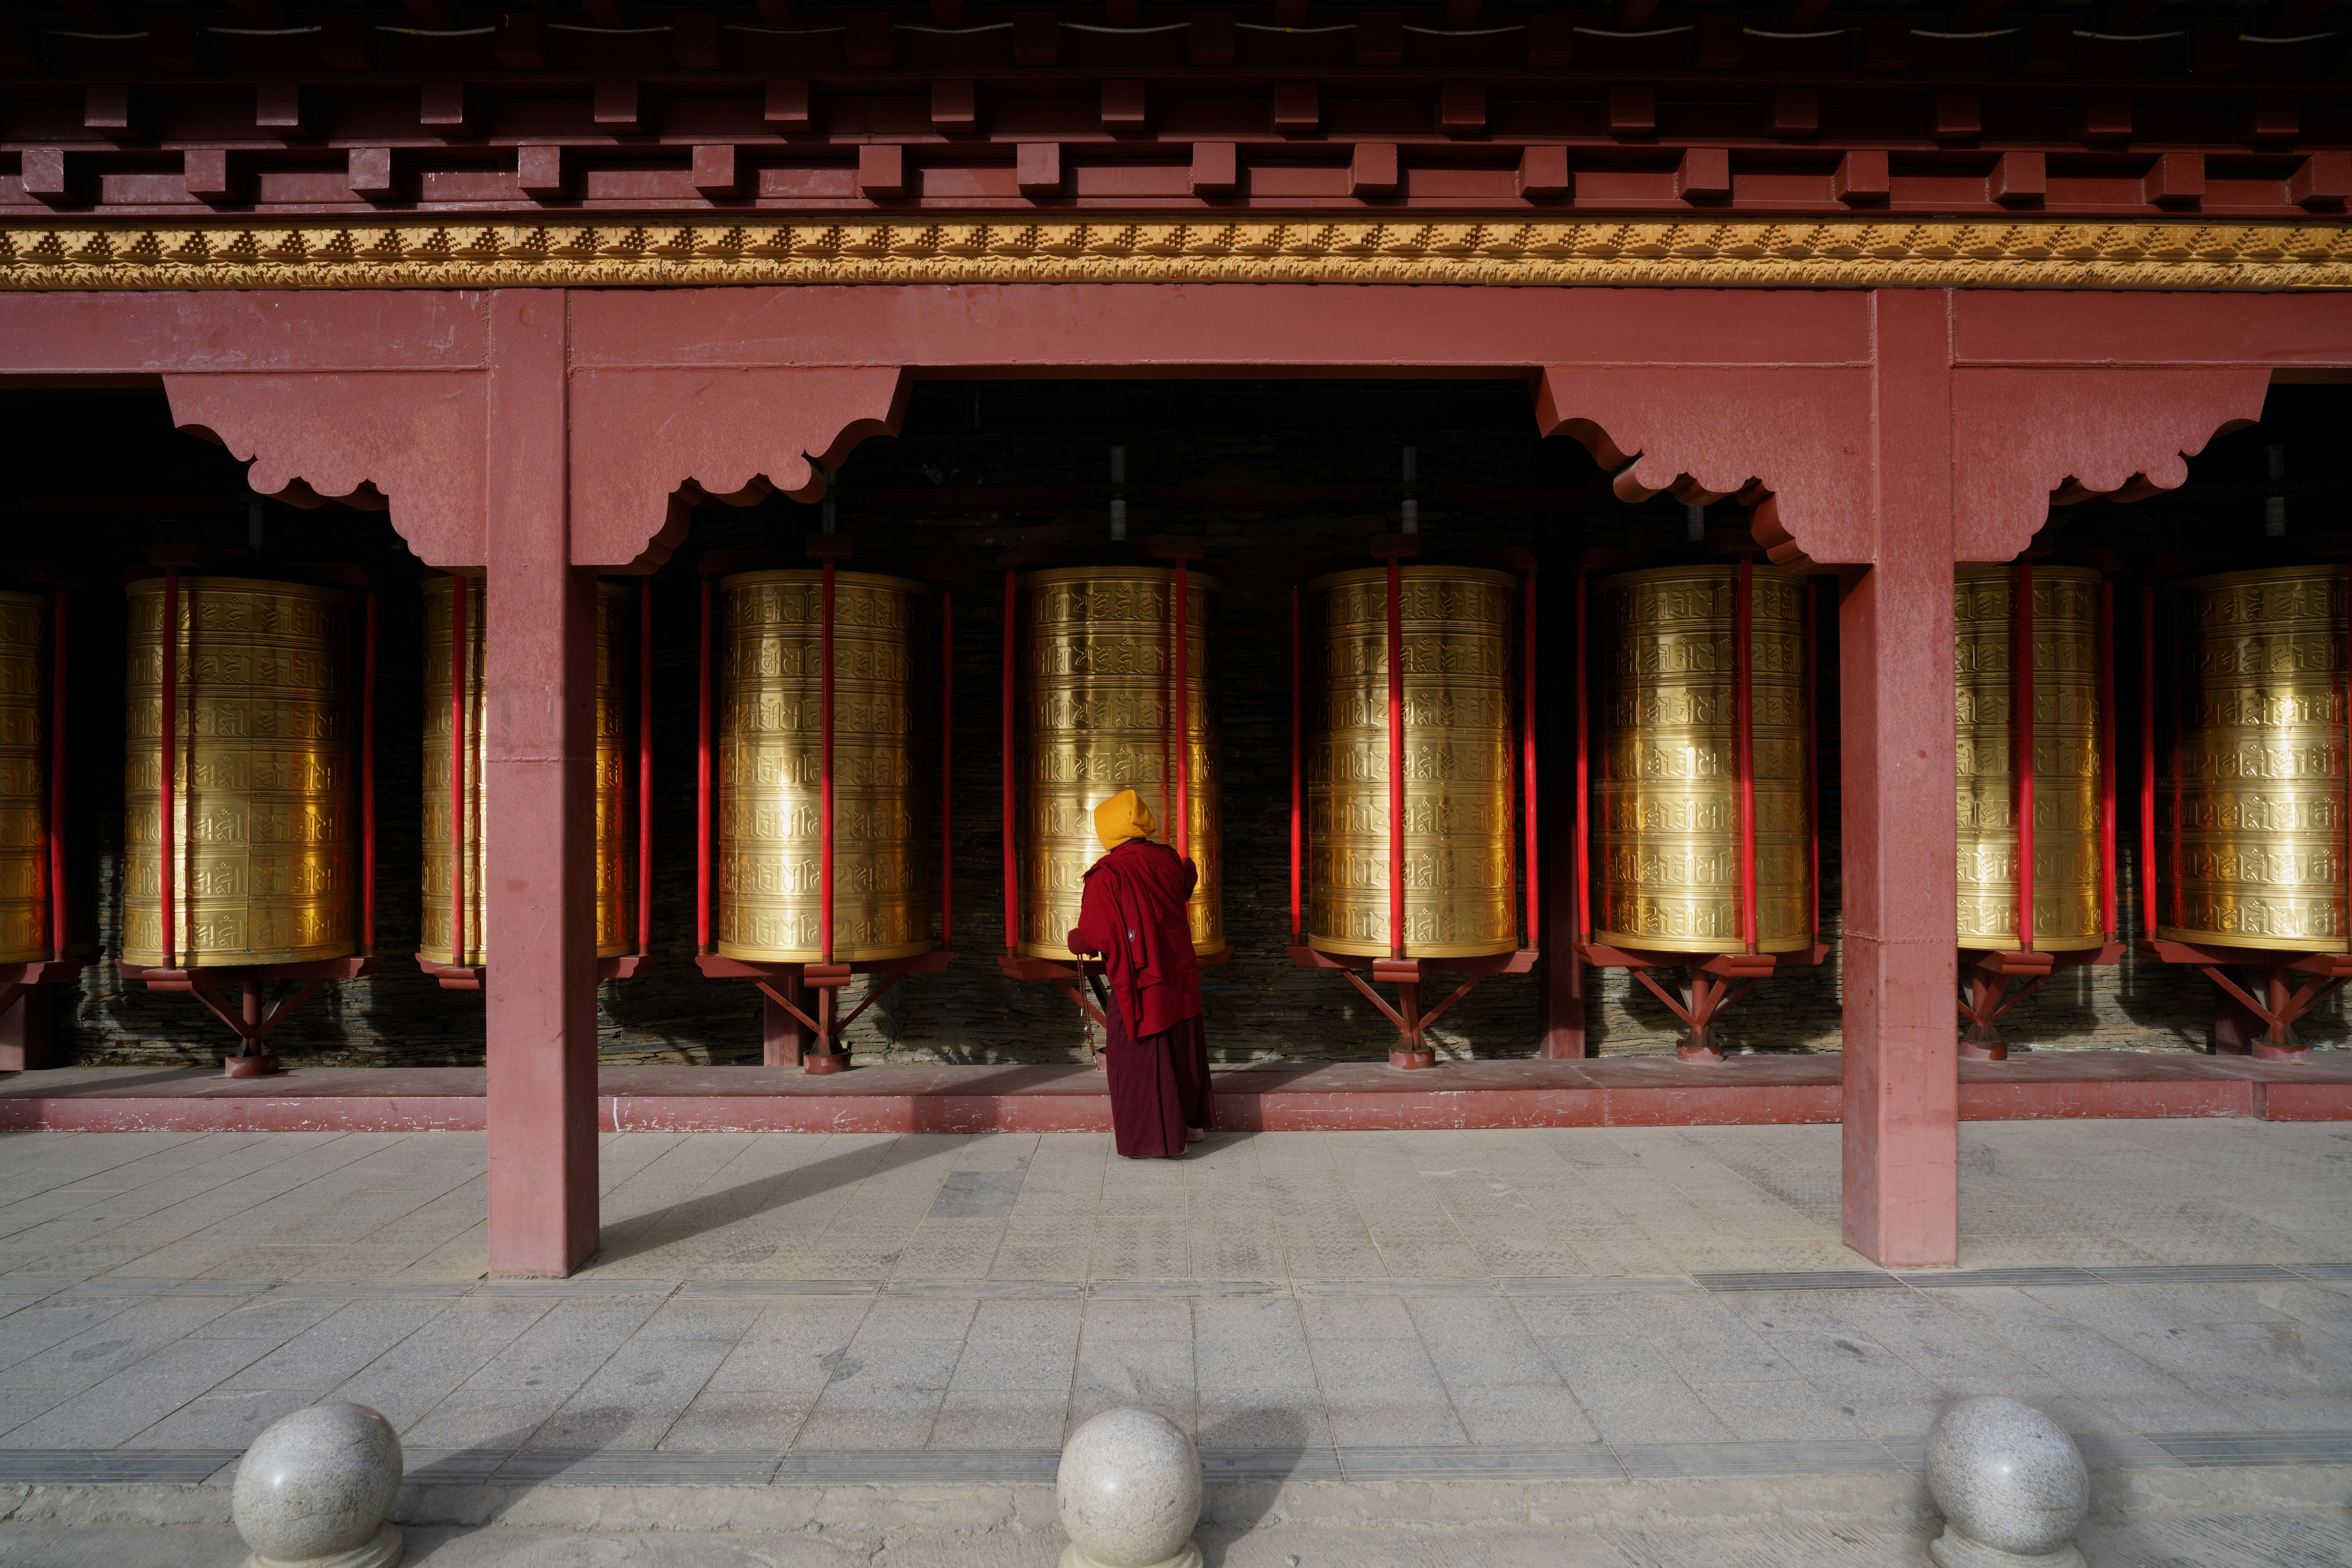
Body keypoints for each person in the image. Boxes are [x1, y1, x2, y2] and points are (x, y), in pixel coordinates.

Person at [1066, 788, 1213, 1159]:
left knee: (1139, 1061)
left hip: (1142, 982)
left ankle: (1160, 1142)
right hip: (1180, 975)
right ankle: (1192, 1127)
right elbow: (1186, 880)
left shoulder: (1109, 873)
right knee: (1183, 1050)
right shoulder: (1166, 859)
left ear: (1110, 829)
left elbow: (1098, 934)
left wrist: (1076, 940)